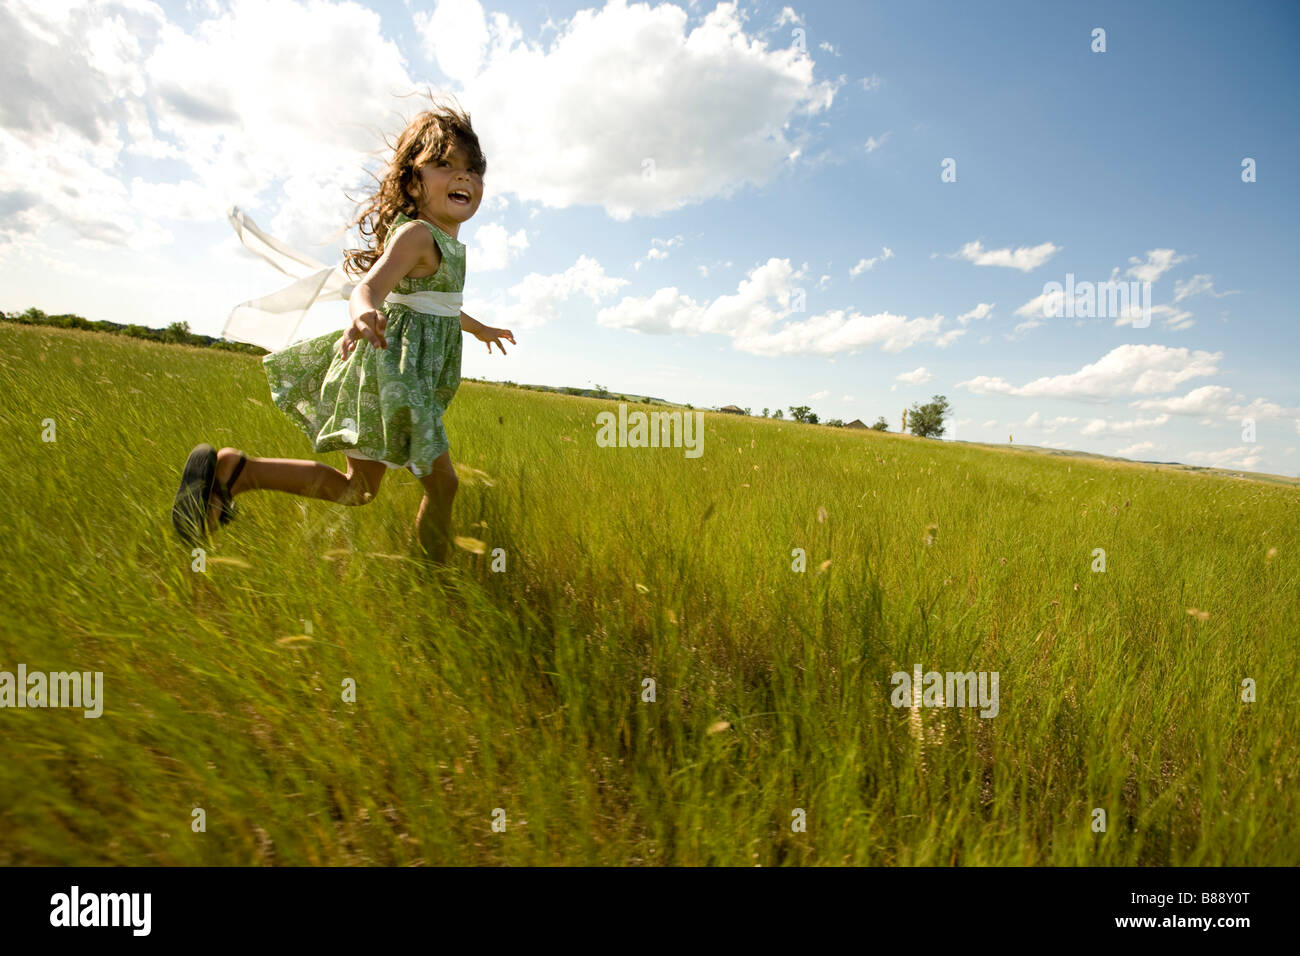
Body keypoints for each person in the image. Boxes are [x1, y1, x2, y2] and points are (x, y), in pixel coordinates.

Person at [172, 99, 514, 563]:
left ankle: (236, 473)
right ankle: (441, 578)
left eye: (473, 170)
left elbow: (437, 306)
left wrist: (478, 328)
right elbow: (368, 289)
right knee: (444, 483)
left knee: (358, 491)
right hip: (394, 376)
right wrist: (362, 312)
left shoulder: (447, 245)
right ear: (413, 183)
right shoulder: (417, 235)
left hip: (400, 377)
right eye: (443, 164)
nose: (463, 176)